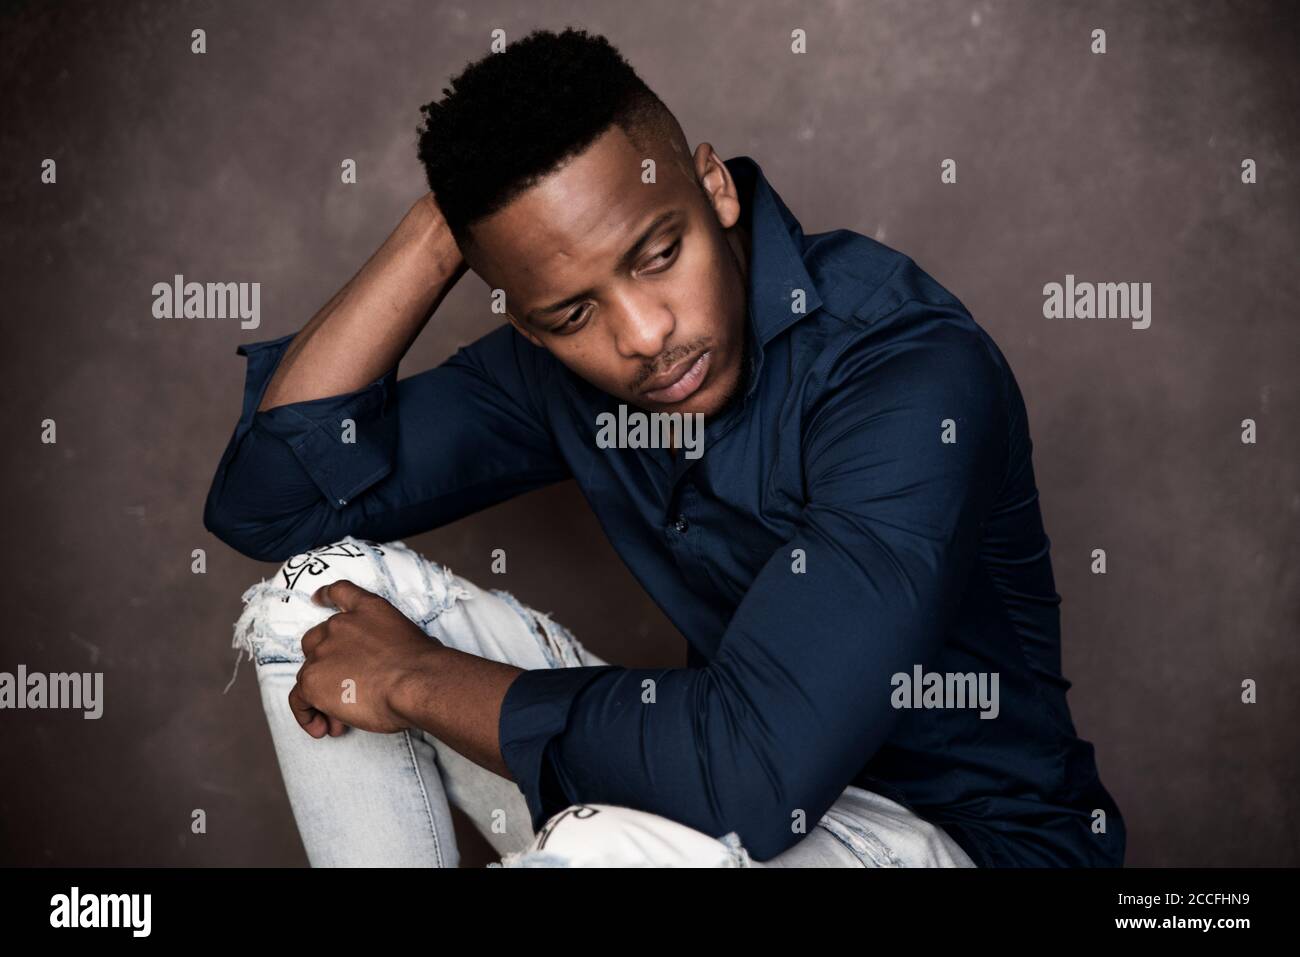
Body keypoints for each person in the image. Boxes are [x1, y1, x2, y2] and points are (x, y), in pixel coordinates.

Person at [203, 27, 1125, 868]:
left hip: (966, 844)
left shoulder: (905, 371)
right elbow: (275, 500)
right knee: (308, 596)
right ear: (525, 323)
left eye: (656, 254)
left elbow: (754, 776)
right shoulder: (555, 367)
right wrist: (449, 225)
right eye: (570, 310)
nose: (644, 335)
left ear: (715, 187)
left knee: (602, 847)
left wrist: (414, 680)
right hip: (719, 784)